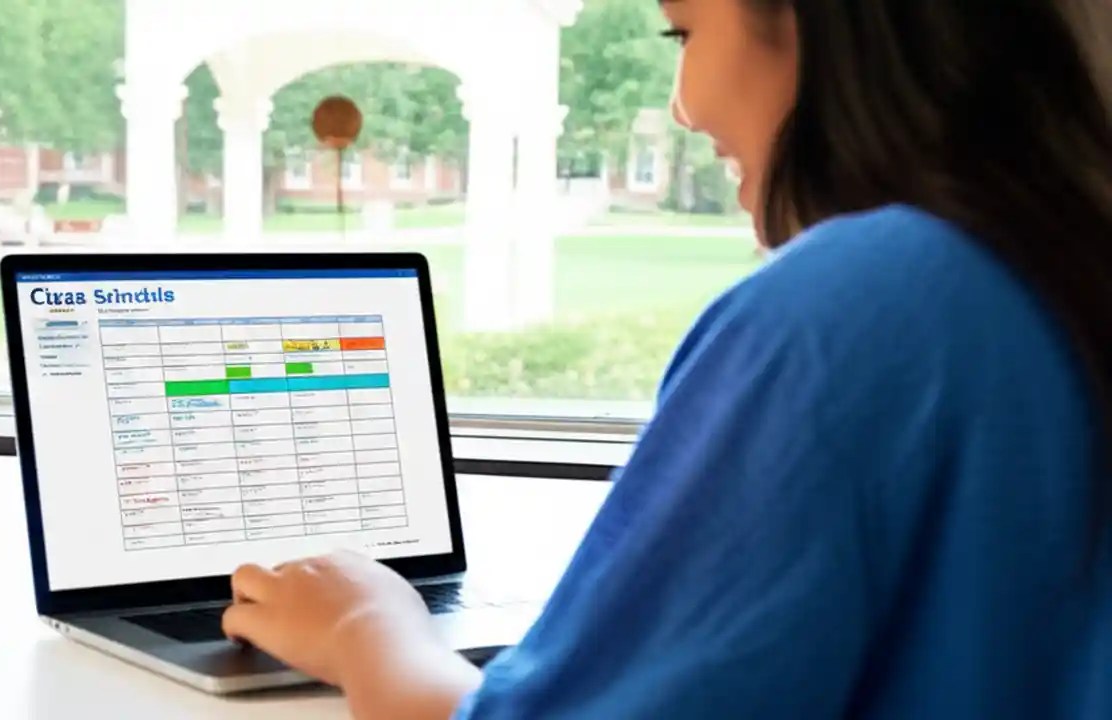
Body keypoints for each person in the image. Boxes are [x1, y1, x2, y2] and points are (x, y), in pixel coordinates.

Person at [220, 0, 1112, 717]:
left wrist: (365, 625)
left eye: (683, 33)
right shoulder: (1061, 264)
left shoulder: (847, 309)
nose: (682, 105)